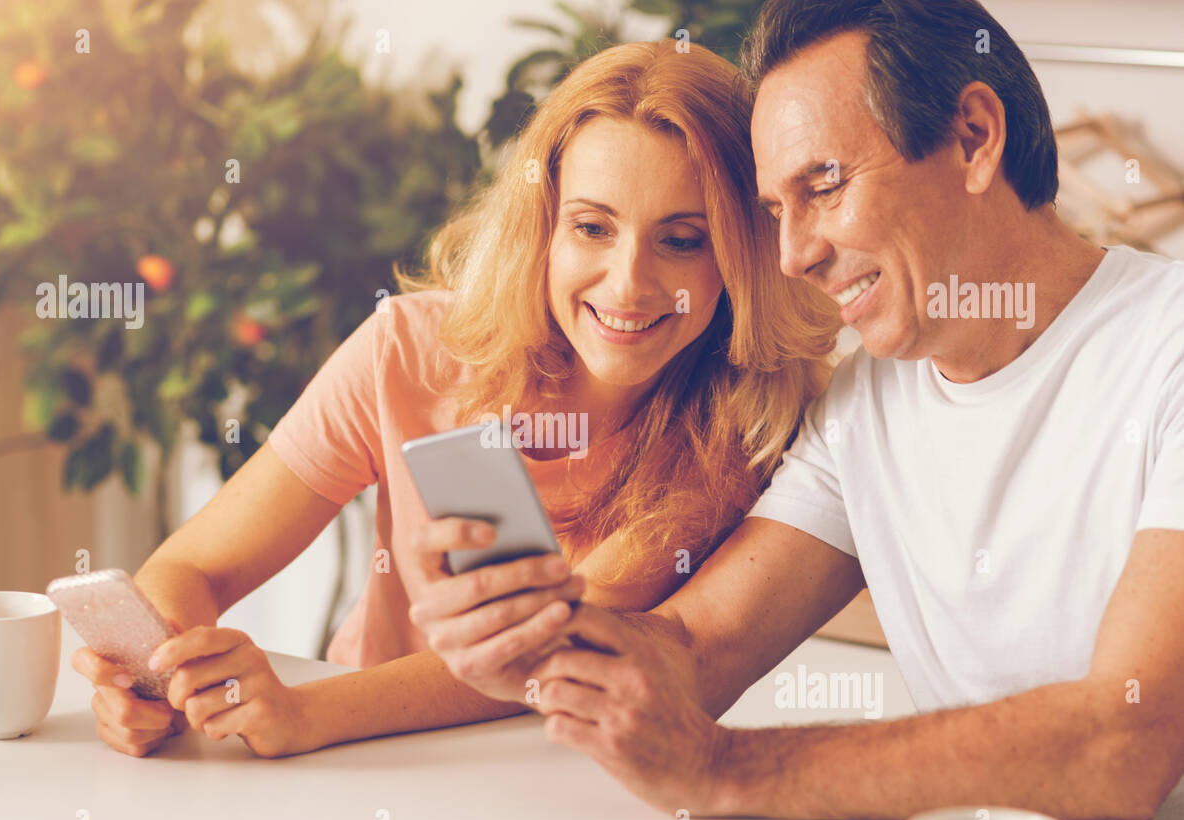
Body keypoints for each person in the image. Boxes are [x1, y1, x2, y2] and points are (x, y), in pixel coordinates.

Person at [417, 0, 1184, 820]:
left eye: (824, 185)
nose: (794, 254)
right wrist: (539, 640)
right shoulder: (867, 403)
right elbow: (699, 646)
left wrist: (722, 767)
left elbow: (1126, 741)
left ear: (973, 137)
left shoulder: (1162, 349)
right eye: (778, 211)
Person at [71, 39, 838, 758]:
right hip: (352, 770)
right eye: (593, 227)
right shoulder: (407, 351)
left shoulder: (738, 423)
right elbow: (197, 564)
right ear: (544, 228)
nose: (629, 282)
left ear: (740, 257)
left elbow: (543, 646)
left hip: (564, 788)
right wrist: (159, 670)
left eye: (681, 240)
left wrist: (308, 713)